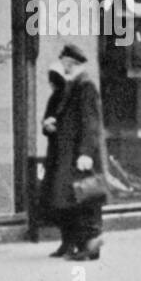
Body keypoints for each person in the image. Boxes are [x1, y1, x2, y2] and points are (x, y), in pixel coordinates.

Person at [40, 44, 106, 260]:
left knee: (82, 199)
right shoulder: (73, 85)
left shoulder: (85, 86)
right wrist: (51, 125)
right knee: (71, 200)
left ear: (70, 62)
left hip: (77, 155)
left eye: (63, 61)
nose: (62, 65)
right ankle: (76, 244)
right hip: (67, 153)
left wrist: (86, 153)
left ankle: (87, 245)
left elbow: (91, 122)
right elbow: (70, 120)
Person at [34, 61, 67, 248]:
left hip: (63, 152)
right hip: (54, 151)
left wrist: (54, 126)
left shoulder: (65, 97)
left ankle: (68, 240)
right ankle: (64, 240)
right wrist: (47, 126)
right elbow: (45, 122)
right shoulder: (54, 98)